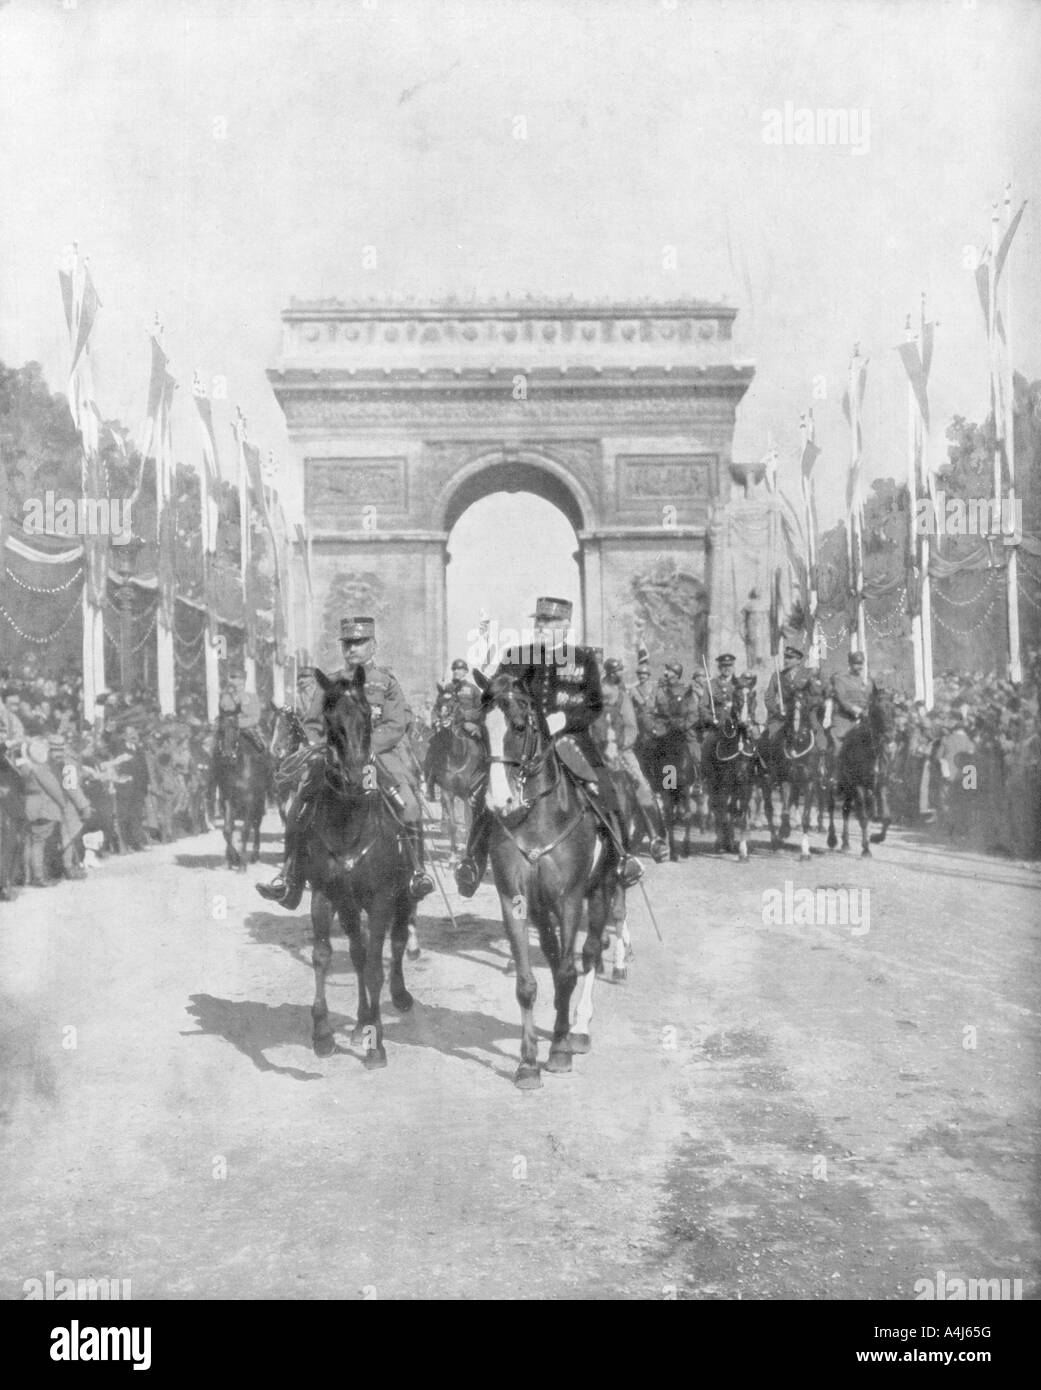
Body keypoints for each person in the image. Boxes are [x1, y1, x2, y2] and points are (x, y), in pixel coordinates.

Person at [454, 596, 645, 897]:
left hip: (569, 739)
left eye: (549, 621)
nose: (541, 626)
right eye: (539, 620)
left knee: (605, 788)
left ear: (566, 626)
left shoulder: (582, 660)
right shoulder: (515, 656)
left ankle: (623, 856)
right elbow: (494, 695)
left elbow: (594, 705)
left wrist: (565, 719)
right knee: (485, 789)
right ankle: (472, 861)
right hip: (521, 742)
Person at [258, 616, 434, 908]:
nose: (352, 648)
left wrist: (367, 747)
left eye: (359, 642)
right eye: (348, 643)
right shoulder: (330, 683)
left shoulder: (386, 682)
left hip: (377, 757)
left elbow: (396, 721)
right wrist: (323, 746)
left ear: (373, 645)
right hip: (336, 757)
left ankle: (416, 871)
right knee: (299, 804)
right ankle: (289, 876)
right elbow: (312, 723)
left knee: (408, 803)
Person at [598, 656, 668, 862]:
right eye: (616, 673)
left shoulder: (624, 696)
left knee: (641, 785)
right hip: (596, 748)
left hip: (621, 749)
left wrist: (620, 745)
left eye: (620, 672)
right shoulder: (595, 693)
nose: (619, 676)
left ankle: (655, 837)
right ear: (609, 674)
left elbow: (631, 726)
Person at [764, 645, 810, 738]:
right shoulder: (777, 676)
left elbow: (814, 695)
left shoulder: (808, 675)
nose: (786, 660)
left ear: (799, 660)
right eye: (785, 657)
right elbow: (769, 697)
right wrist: (776, 710)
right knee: (771, 736)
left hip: (803, 714)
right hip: (783, 715)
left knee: (819, 735)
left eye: (790, 658)